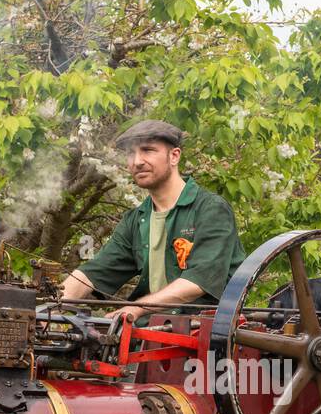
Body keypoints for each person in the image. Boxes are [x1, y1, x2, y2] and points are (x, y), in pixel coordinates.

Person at [60, 119, 245, 323]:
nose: (137, 161)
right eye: (131, 153)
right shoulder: (136, 219)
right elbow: (93, 273)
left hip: (204, 334)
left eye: (148, 150)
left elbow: (199, 281)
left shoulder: (210, 209)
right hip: (148, 335)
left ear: (174, 156)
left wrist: (138, 308)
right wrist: (49, 307)